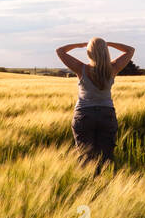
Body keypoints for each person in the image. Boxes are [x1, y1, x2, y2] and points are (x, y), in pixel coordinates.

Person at [55, 38, 135, 173]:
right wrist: (108, 44)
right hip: (106, 115)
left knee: (85, 157)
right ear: (105, 51)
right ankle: (105, 186)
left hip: (84, 115)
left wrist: (80, 45)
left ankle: (88, 187)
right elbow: (130, 50)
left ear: (89, 52)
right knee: (106, 158)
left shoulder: (81, 69)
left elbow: (60, 51)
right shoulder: (113, 68)